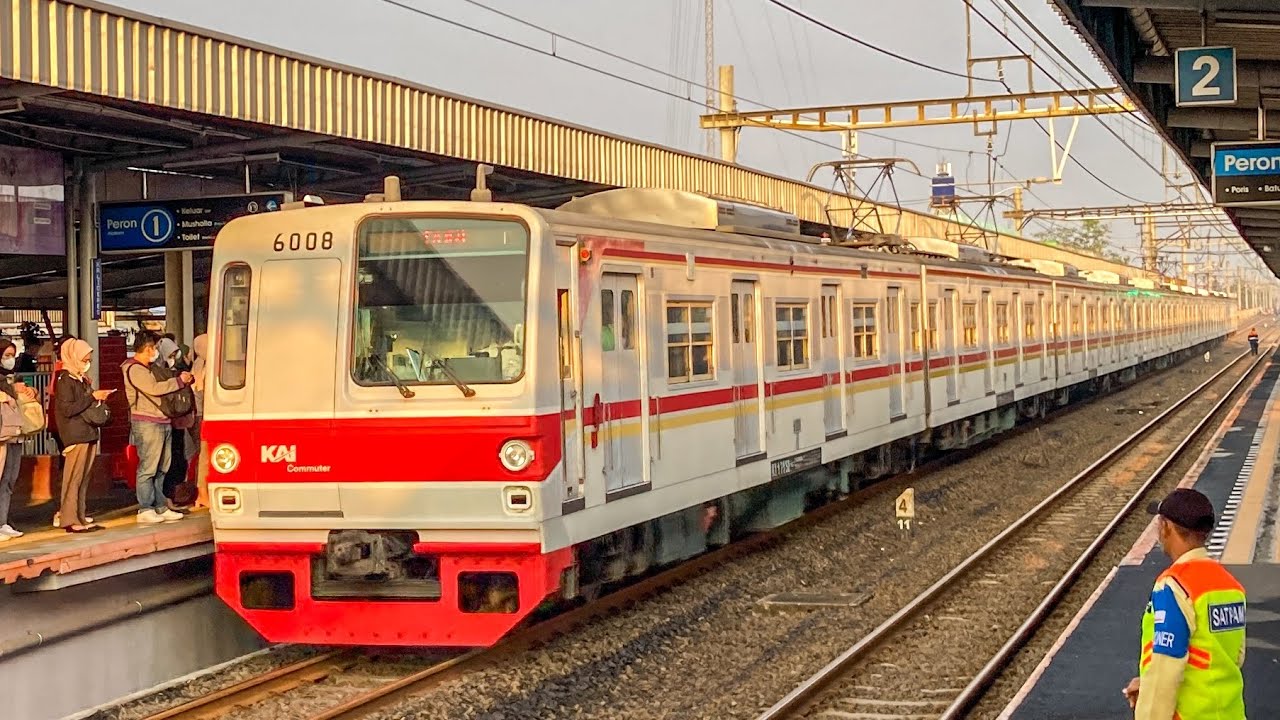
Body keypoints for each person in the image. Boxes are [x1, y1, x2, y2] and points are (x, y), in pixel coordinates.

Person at [1123, 488, 1247, 720]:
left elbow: (1166, 667)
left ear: (1166, 527)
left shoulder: (1174, 586)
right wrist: (1147, 685)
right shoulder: (1231, 586)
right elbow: (1232, 657)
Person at [123, 331, 192, 524]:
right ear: (147, 348)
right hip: (146, 422)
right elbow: (154, 389)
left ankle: (161, 506)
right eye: (154, 347)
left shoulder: (150, 367)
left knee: (163, 466)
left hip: (162, 420)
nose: (156, 351)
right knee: (148, 467)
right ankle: (145, 507)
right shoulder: (135, 369)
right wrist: (179, 382)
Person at [52, 339, 112, 534]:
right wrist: (92, 397)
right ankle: (69, 518)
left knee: (83, 478)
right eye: (85, 358)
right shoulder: (64, 380)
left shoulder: (80, 378)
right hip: (75, 435)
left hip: (87, 433)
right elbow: (67, 409)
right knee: (73, 479)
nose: (87, 362)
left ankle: (80, 515)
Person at [0, 338, 38, 541]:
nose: (10, 360)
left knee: (9, 479)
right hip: (3, 434)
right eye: (6, 355)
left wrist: (30, 391)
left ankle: (3, 521)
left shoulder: (12, 378)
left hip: (15, 433)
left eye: (12, 355)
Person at [156, 336, 191, 512]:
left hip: (177, 420)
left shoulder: (180, 369)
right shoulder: (157, 371)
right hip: (168, 419)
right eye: (171, 354)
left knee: (177, 457)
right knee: (166, 460)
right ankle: (166, 496)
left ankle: (172, 495)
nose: (174, 357)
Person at [189, 333, 209, 509]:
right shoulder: (205, 367)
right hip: (203, 416)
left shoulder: (198, 364)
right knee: (205, 454)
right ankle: (202, 494)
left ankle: (202, 493)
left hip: (197, 416)